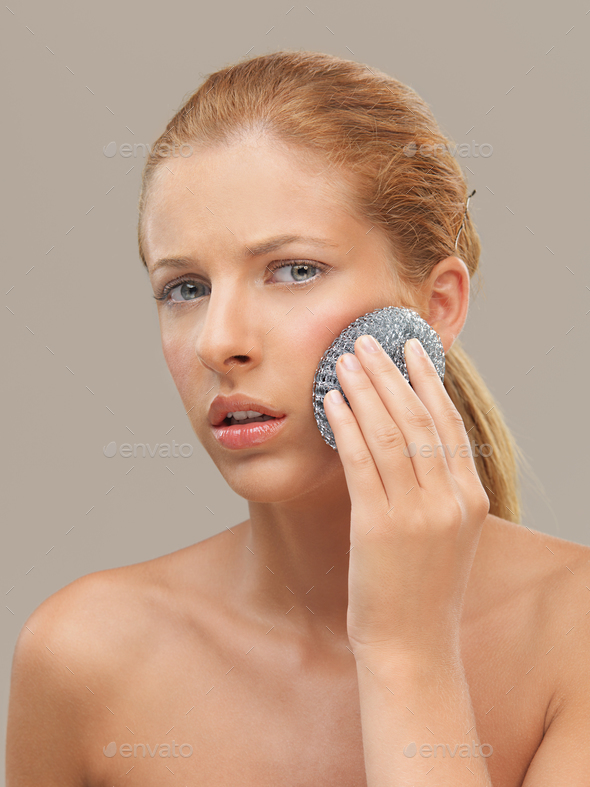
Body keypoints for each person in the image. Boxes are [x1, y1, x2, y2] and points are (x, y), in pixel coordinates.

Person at [6, 50, 590, 786]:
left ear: (436, 307)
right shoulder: (84, 654)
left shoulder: (577, 634)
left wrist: (407, 650)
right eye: (184, 287)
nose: (220, 340)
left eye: (294, 270)